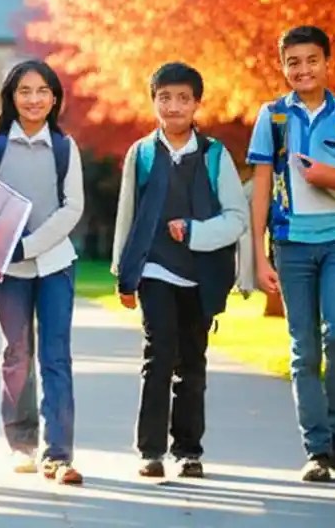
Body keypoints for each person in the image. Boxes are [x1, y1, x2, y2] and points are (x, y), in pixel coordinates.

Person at [247, 25, 335, 482]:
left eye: (311, 60)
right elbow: (261, 189)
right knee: (304, 350)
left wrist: (328, 175)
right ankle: (317, 450)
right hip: (290, 247)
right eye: (293, 62)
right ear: (282, 67)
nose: (302, 69)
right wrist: (259, 255)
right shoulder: (272, 118)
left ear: (327, 62)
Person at [110, 62, 248, 479]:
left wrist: (193, 233)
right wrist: (124, 272)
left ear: (197, 104)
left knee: (193, 362)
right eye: (165, 97)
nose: (173, 106)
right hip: (155, 270)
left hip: (201, 272)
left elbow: (236, 217)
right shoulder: (142, 153)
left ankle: (188, 450)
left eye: (183, 98)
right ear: (154, 101)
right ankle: (150, 450)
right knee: (158, 354)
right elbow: (127, 216)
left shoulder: (214, 155)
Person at [0, 59, 86, 485]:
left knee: (56, 356)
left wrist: (29, 246)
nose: (33, 100)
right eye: (24, 91)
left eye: (42, 92)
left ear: (54, 98)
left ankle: (59, 453)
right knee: (16, 354)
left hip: (55, 265)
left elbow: (74, 208)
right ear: (11, 97)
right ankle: (21, 443)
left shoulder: (65, 148)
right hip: (8, 271)